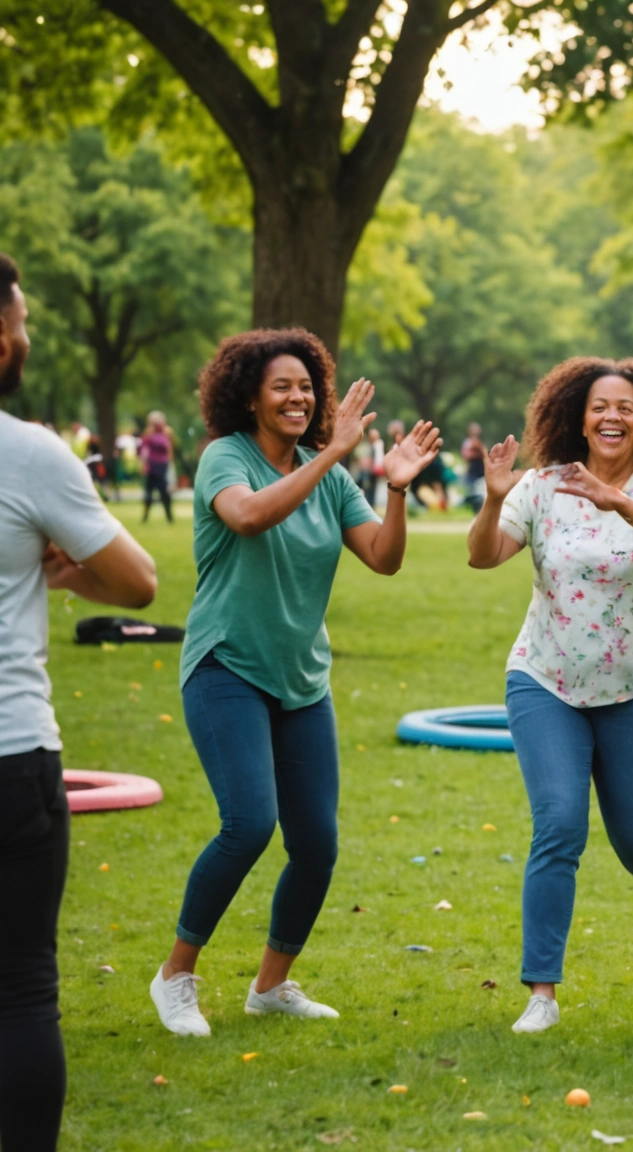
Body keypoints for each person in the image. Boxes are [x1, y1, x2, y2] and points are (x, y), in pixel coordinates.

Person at [149, 330, 441, 1038]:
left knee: (316, 845)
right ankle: (175, 976)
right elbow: (249, 516)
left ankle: (271, 986)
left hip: (302, 680)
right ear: (249, 396)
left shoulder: (327, 475)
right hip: (226, 665)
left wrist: (397, 488)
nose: (297, 398)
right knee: (249, 824)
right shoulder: (226, 457)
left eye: (307, 387)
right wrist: (337, 452)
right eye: (281, 386)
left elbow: (384, 557)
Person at [466, 358, 633, 1034]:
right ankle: (542, 993)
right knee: (558, 825)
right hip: (545, 679)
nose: (612, 417)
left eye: (625, 408)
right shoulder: (542, 484)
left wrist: (619, 503)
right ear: (578, 418)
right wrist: (493, 498)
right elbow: (483, 555)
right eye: (599, 406)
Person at [0, 254, 158, 1152]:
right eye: (22, 324)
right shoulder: (28, 452)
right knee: (20, 988)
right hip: (10, 757)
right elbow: (136, 582)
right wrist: (60, 573)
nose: (27, 338)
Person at [139, 411, 176, 524]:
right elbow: (144, 451)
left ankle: (169, 517)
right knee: (148, 493)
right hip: (152, 466)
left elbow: (169, 450)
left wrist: (170, 464)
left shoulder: (166, 433)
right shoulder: (148, 435)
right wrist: (144, 464)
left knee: (164, 493)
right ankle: (145, 517)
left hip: (162, 466)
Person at [461, 421, 486, 508]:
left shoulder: (479, 442)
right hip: (472, 468)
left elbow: (484, 453)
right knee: (471, 487)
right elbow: (466, 455)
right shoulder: (468, 442)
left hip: (480, 468)